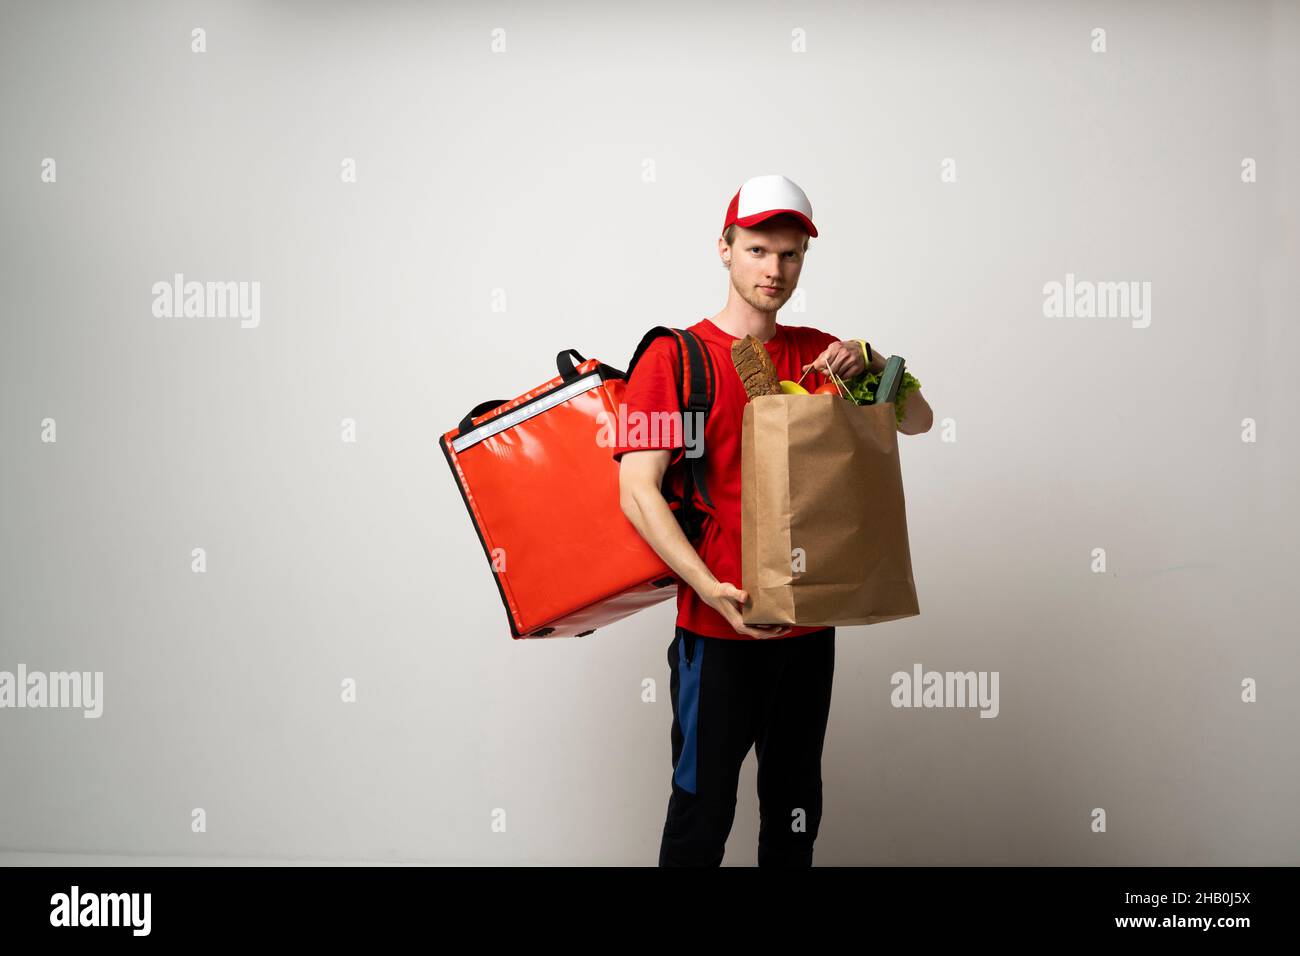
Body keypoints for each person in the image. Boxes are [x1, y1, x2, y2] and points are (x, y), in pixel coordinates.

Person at [612, 174, 933, 866]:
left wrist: (874, 365)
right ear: (724, 249)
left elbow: (917, 420)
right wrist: (708, 589)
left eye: (790, 255)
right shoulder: (673, 358)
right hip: (716, 628)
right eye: (758, 250)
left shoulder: (822, 354)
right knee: (702, 813)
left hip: (808, 629)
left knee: (794, 814)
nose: (774, 269)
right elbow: (638, 490)